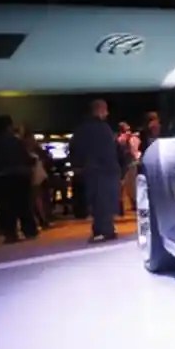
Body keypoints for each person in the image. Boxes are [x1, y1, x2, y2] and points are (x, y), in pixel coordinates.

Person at [72, 99, 121, 242]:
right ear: (99, 110)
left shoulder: (81, 128)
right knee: (105, 200)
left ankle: (100, 229)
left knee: (96, 201)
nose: (107, 113)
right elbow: (109, 152)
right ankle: (106, 230)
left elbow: (75, 149)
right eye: (105, 109)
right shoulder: (102, 128)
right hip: (105, 170)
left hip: (90, 171)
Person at [0, 116, 38, 244]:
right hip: (20, 176)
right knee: (23, 204)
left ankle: (10, 234)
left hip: (2, 177)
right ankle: (29, 230)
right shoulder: (16, 142)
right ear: (9, 126)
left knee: (6, 206)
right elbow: (26, 158)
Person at [24, 130, 52, 229]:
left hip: (36, 177)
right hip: (39, 177)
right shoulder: (36, 151)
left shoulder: (28, 152)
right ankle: (43, 219)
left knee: (38, 199)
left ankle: (43, 219)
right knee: (39, 200)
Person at [117, 122, 141, 216]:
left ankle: (122, 207)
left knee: (124, 186)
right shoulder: (131, 138)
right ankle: (132, 205)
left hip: (125, 164)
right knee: (131, 186)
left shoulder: (121, 138)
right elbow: (134, 151)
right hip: (129, 163)